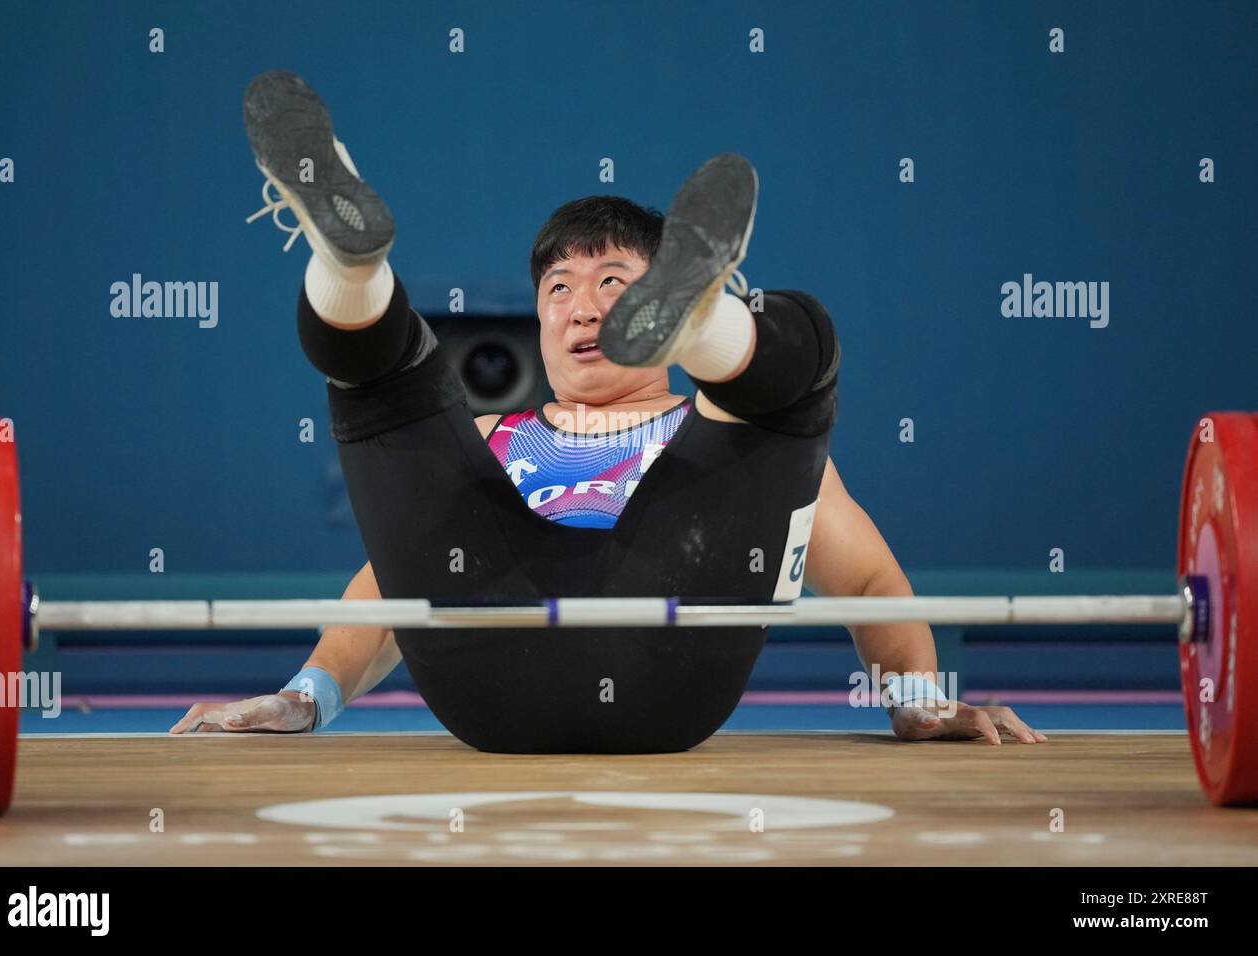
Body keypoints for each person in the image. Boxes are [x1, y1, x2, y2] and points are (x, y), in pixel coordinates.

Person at [172, 71, 1044, 749]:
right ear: (542, 314)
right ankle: (349, 264)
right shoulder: (488, 442)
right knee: (398, 398)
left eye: (615, 285)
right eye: (559, 287)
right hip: (492, 687)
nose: (582, 307)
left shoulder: (731, 455)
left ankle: (715, 325)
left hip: (668, 679)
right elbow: (391, 591)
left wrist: (919, 704)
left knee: (783, 408)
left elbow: (868, 584)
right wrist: (305, 696)